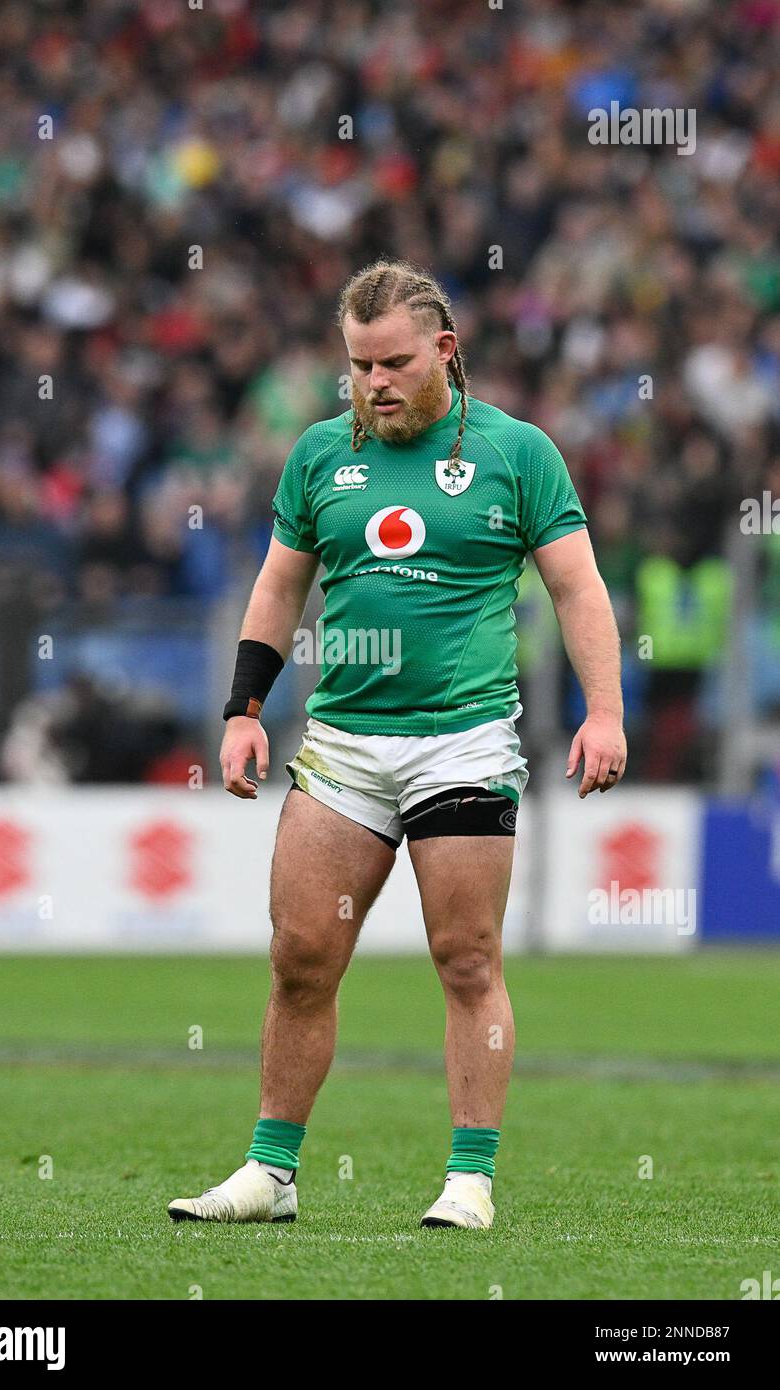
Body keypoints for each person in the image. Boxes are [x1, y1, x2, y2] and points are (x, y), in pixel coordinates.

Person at [168, 260, 626, 1230]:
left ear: (444, 353)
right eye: (356, 365)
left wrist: (604, 710)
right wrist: (244, 706)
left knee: (464, 958)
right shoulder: (319, 456)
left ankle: (468, 1180)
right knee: (300, 955)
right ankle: (270, 1173)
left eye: (391, 363)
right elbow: (278, 585)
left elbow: (578, 588)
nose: (371, 383)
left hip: (462, 742)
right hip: (343, 743)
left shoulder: (518, 452)